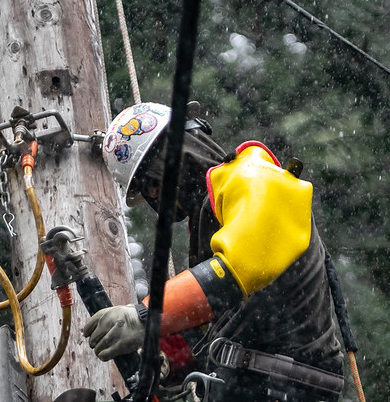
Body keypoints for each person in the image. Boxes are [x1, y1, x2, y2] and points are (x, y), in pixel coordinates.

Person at [83, 102, 344, 401]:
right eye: (146, 189)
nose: (154, 195)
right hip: (256, 387)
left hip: (288, 389)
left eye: (153, 180)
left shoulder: (258, 179)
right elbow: (217, 323)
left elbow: (232, 274)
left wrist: (144, 317)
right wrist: (167, 356)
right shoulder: (215, 218)